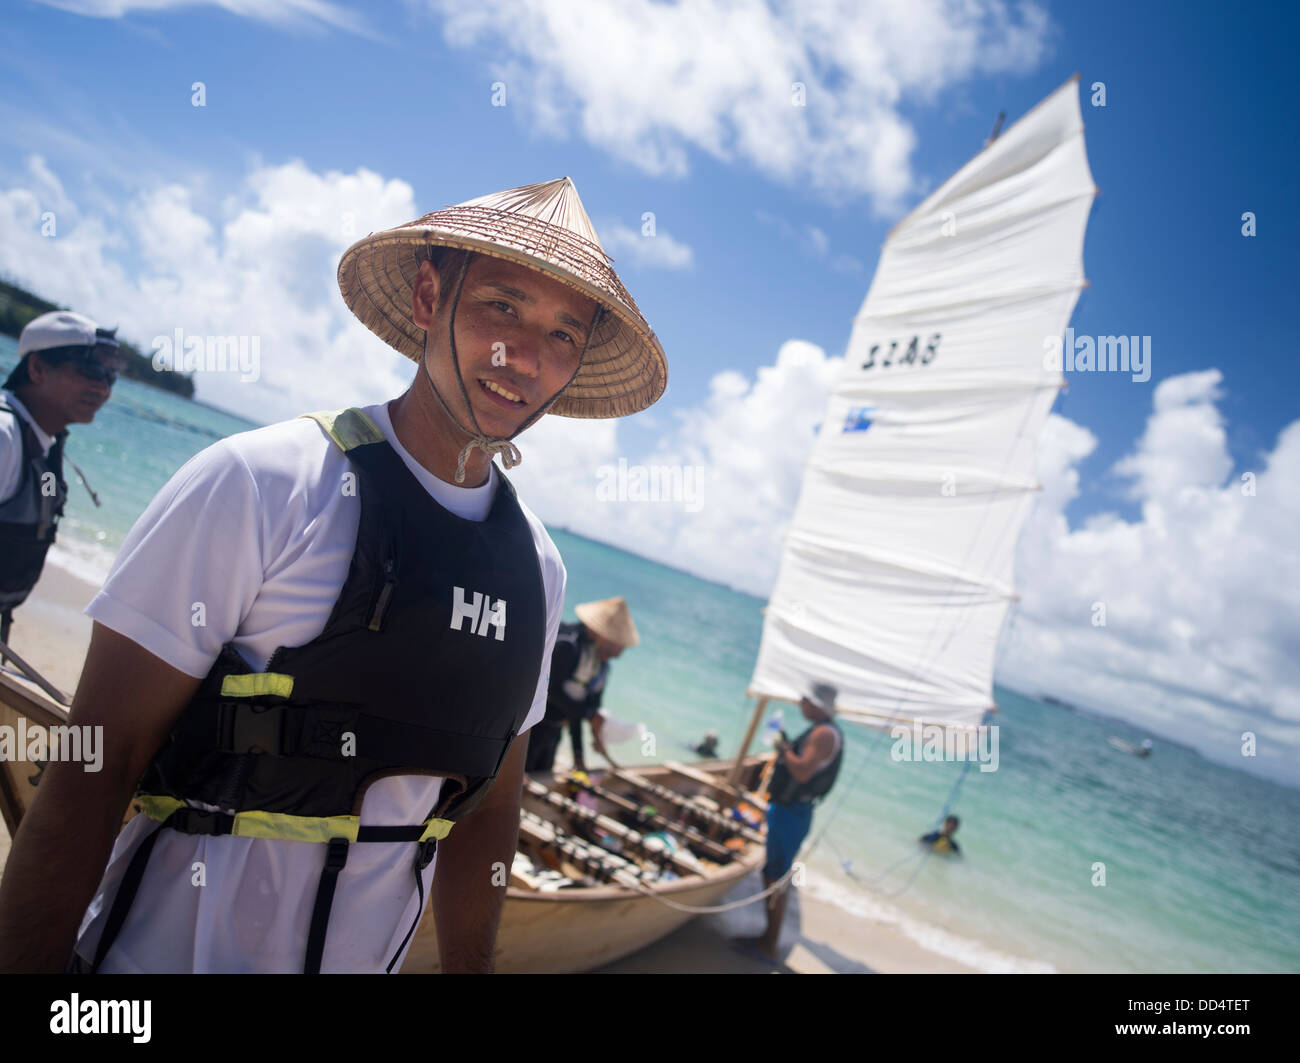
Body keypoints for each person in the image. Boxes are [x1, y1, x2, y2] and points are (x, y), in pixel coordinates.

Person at [0, 177, 667, 974]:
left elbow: (489, 810)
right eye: (502, 306)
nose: (523, 357)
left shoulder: (536, 569)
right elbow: (94, 763)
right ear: (428, 297)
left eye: (563, 333)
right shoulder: (264, 484)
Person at [0, 311, 121, 650]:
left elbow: (39, 502)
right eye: (89, 370)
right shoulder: (5, 438)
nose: (102, 387)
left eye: (111, 376)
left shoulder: (46, 449)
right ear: (37, 369)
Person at [735, 681, 842, 964]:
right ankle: (766, 938)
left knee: (775, 875)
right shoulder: (822, 731)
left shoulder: (823, 734)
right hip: (789, 810)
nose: (801, 704)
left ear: (817, 705)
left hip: (792, 812)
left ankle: (769, 944)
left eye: (806, 700)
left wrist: (784, 750)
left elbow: (803, 772)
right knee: (773, 872)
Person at [525, 596, 639, 775]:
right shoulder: (567, 646)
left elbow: (581, 707)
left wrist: (580, 753)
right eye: (612, 648)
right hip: (531, 728)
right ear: (602, 634)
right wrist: (588, 714)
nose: (613, 655)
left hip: (554, 731)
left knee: (543, 773)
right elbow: (552, 692)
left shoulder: (597, 662)